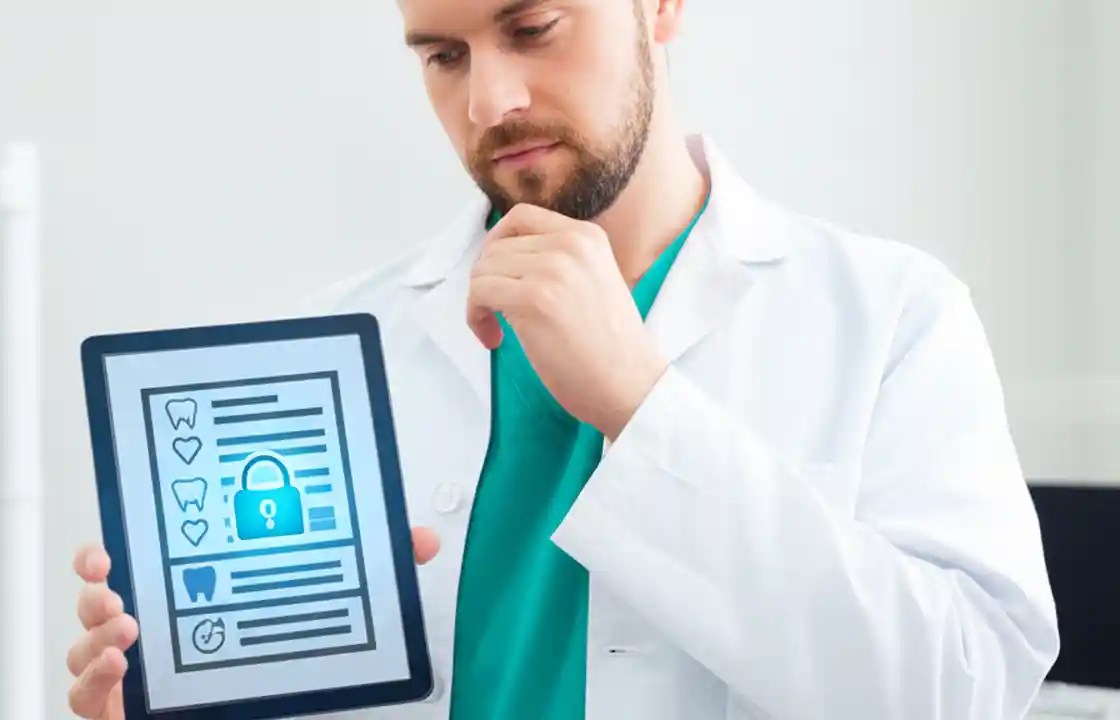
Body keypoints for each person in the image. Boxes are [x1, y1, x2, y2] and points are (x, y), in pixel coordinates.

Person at [66, 0, 1061, 717]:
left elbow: (967, 690)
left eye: (531, 28)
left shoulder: (886, 315)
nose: (488, 100)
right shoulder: (343, 343)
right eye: (442, 56)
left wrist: (638, 402)